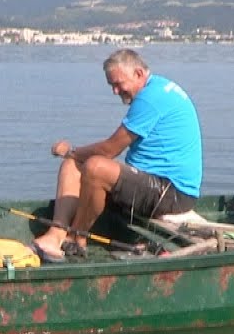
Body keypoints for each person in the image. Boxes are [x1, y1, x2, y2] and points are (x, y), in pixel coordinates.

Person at [31, 49, 202, 262]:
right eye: (111, 85)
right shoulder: (155, 90)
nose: (115, 91)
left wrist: (70, 150)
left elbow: (110, 150)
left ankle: (76, 238)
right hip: (149, 182)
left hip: (173, 194)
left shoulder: (152, 98)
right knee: (73, 164)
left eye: (118, 84)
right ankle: (56, 234)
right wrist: (73, 156)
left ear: (139, 74)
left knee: (95, 168)